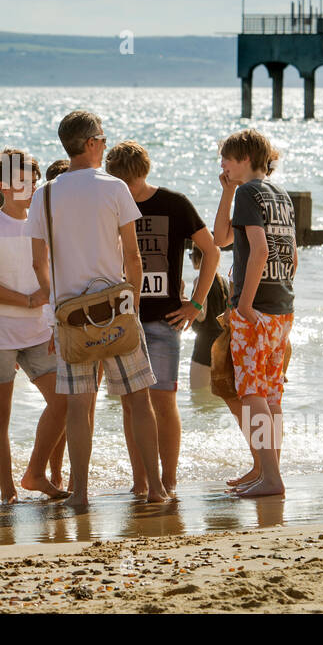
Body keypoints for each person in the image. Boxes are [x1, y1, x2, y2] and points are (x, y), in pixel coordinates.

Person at [27, 110, 167, 506]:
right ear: (90, 143)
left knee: (78, 406)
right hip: (116, 307)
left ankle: (81, 493)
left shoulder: (45, 193)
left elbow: (39, 261)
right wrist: (133, 309)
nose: (105, 145)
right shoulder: (114, 188)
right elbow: (134, 258)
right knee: (138, 399)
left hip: (70, 314)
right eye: (103, 139)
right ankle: (154, 488)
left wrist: (54, 300)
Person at [105, 140, 220, 495]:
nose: (127, 191)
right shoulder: (109, 205)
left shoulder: (174, 203)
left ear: (144, 173)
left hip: (165, 321)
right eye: (120, 183)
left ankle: (169, 479)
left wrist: (197, 304)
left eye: (132, 183)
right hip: (122, 319)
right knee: (129, 405)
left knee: (164, 402)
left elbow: (211, 251)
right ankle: (140, 482)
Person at [0, 149, 67, 502]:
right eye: (21, 180)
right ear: (3, 185)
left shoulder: (43, 222)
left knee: (62, 401)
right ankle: (6, 490)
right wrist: (28, 300)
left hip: (40, 332)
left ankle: (35, 473)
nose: (29, 185)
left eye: (33, 179)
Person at [212, 130, 296, 499]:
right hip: (282, 306)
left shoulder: (249, 193)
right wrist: (227, 190)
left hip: (255, 308)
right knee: (271, 394)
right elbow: (222, 239)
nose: (222, 165)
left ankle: (272, 478)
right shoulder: (279, 195)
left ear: (244, 158)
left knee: (251, 393)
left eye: (227, 159)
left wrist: (244, 305)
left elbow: (258, 251)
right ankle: (265, 470)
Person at [186, 244, 230, 391]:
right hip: (221, 347)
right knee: (216, 401)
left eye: (192, 256)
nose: (191, 259)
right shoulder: (224, 282)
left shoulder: (199, 281)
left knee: (197, 398)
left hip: (204, 347)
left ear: (199, 259)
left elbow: (201, 316)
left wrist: (186, 304)